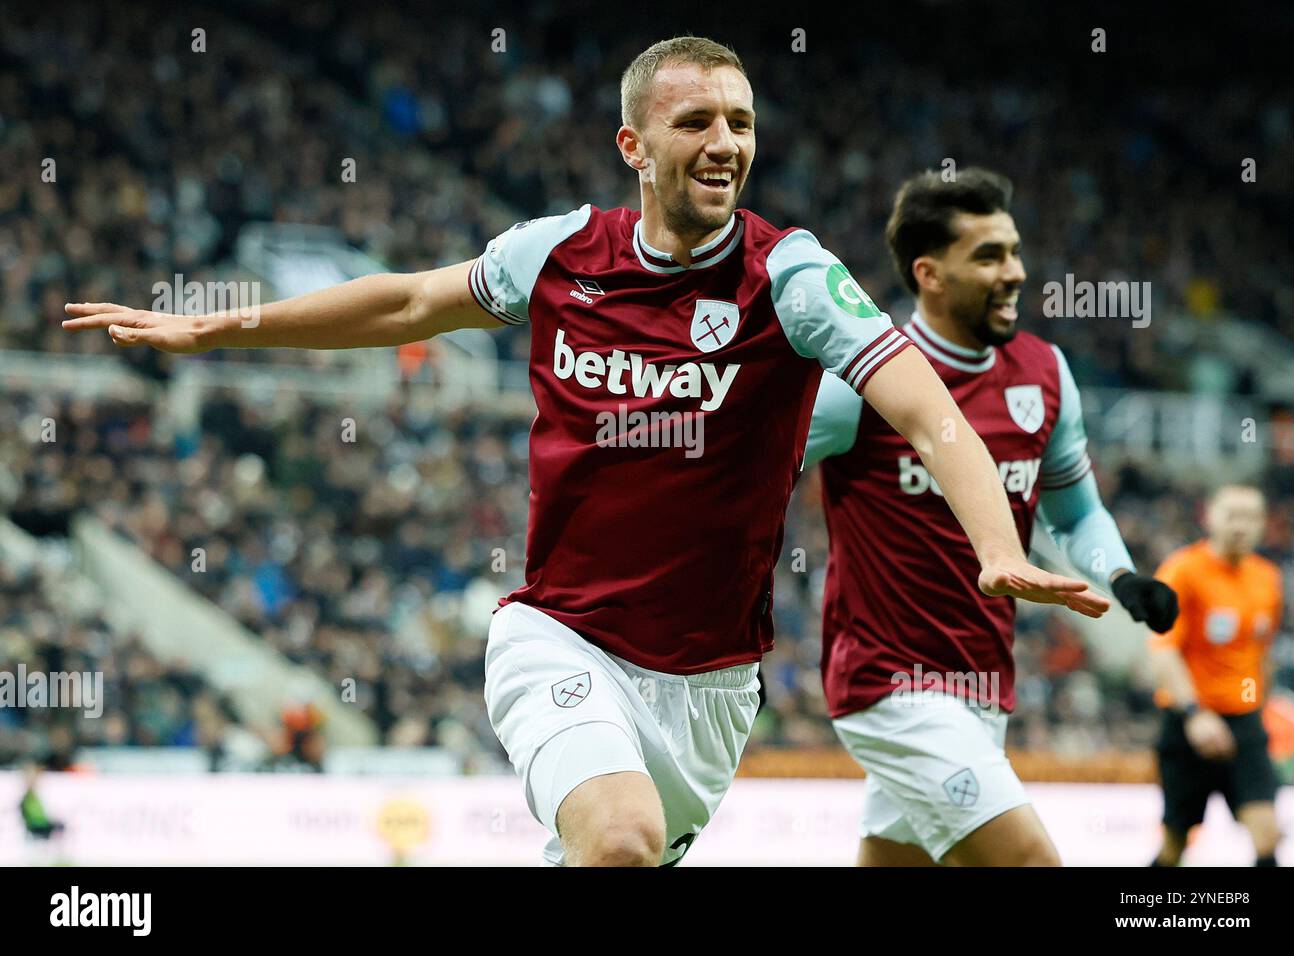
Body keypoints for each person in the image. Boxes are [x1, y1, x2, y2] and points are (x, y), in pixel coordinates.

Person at [64, 39, 1107, 866]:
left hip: (711, 682)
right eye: (693, 120)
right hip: (561, 636)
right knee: (617, 837)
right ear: (632, 146)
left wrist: (992, 546)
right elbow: (410, 300)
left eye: (741, 123)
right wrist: (216, 326)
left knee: (616, 854)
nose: (723, 142)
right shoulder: (559, 253)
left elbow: (927, 411)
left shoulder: (789, 275)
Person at [804, 168, 1176, 866]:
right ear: (929, 274)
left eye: (1013, 251)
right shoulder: (863, 381)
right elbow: (748, 475)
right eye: (988, 256)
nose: (1014, 273)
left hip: (981, 681)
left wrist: (1123, 578)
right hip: (891, 684)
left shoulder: (1045, 372)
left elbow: (1075, 509)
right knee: (1032, 862)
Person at [1148, 484, 1284, 866]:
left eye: (1251, 517)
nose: (1241, 526)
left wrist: (1261, 710)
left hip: (1244, 722)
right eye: (1232, 515)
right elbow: (1163, 650)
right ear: (1209, 517)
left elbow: (1261, 653)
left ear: (1262, 524)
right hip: (1189, 722)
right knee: (1177, 842)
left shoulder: (1267, 578)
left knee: (1267, 833)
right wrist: (1194, 713)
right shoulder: (1182, 570)